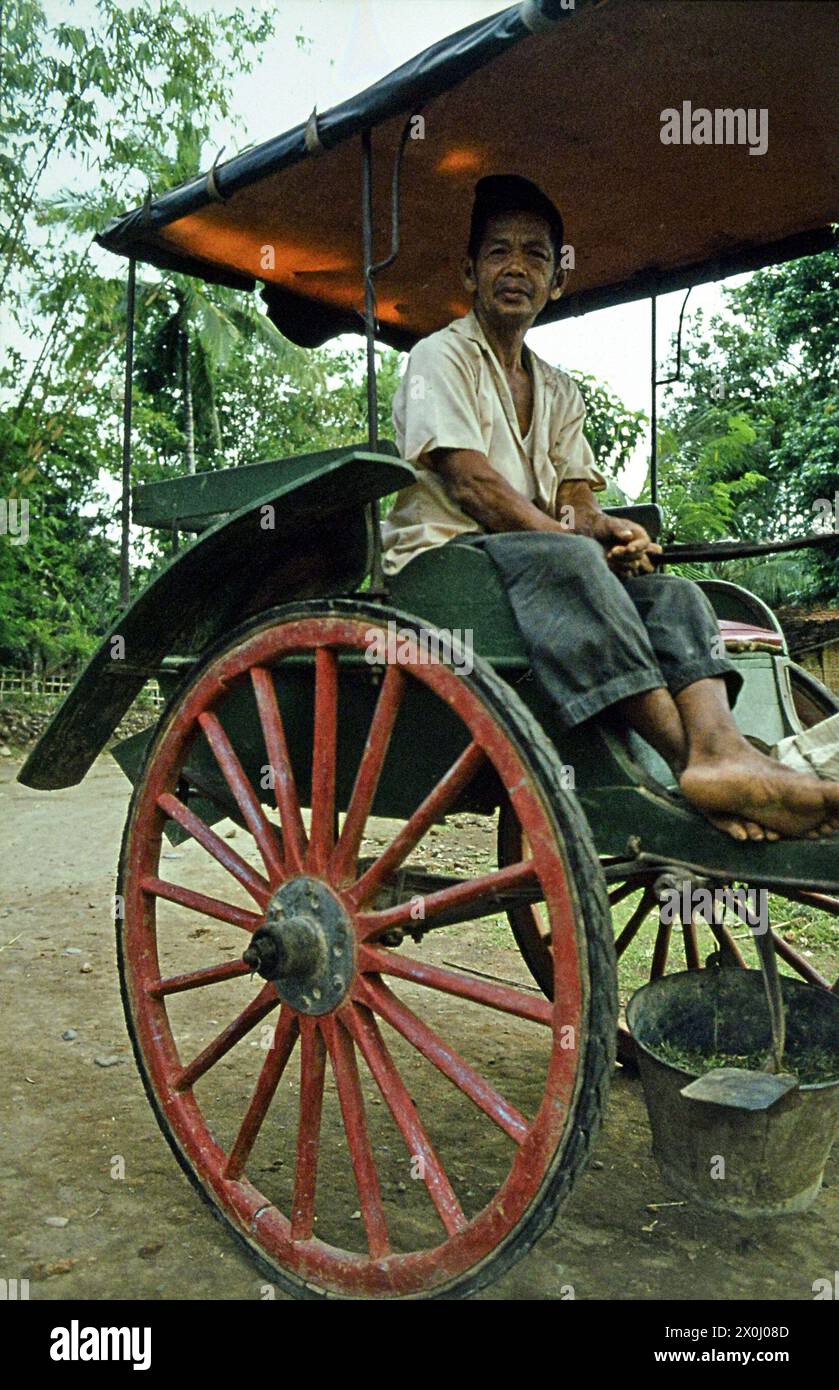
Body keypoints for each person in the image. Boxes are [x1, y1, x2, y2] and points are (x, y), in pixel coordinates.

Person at [381, 174, 839, 843]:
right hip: (445, 570)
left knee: (674, 595)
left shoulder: (559, 390)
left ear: (555, 280)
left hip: (531, 567)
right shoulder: (437, 358)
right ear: (469, 273)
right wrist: (576, 544)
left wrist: (610, 531)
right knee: (568, 557)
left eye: (535, 255)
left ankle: (723, 756)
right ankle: (694, 763)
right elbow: (471, 486)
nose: (515, 268)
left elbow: (575, 503)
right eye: (498, 253)